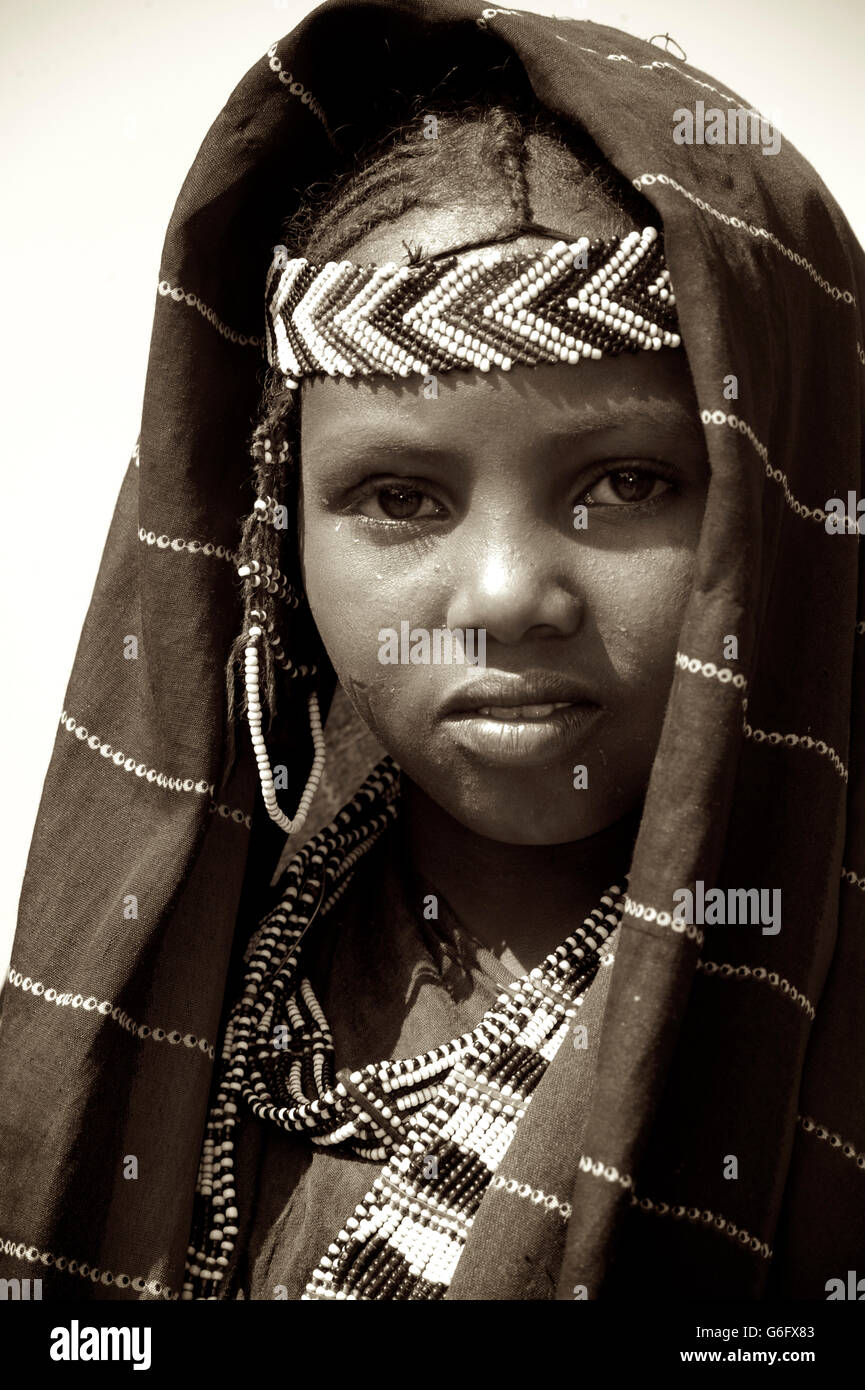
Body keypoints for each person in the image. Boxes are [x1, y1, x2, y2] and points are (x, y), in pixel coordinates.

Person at [1, 0, 863, 1303]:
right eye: (400, 497)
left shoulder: (823, 1061)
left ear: (776, 501)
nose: (510, 595)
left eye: (627, 482)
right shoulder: (163, 997)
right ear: (272, 542)